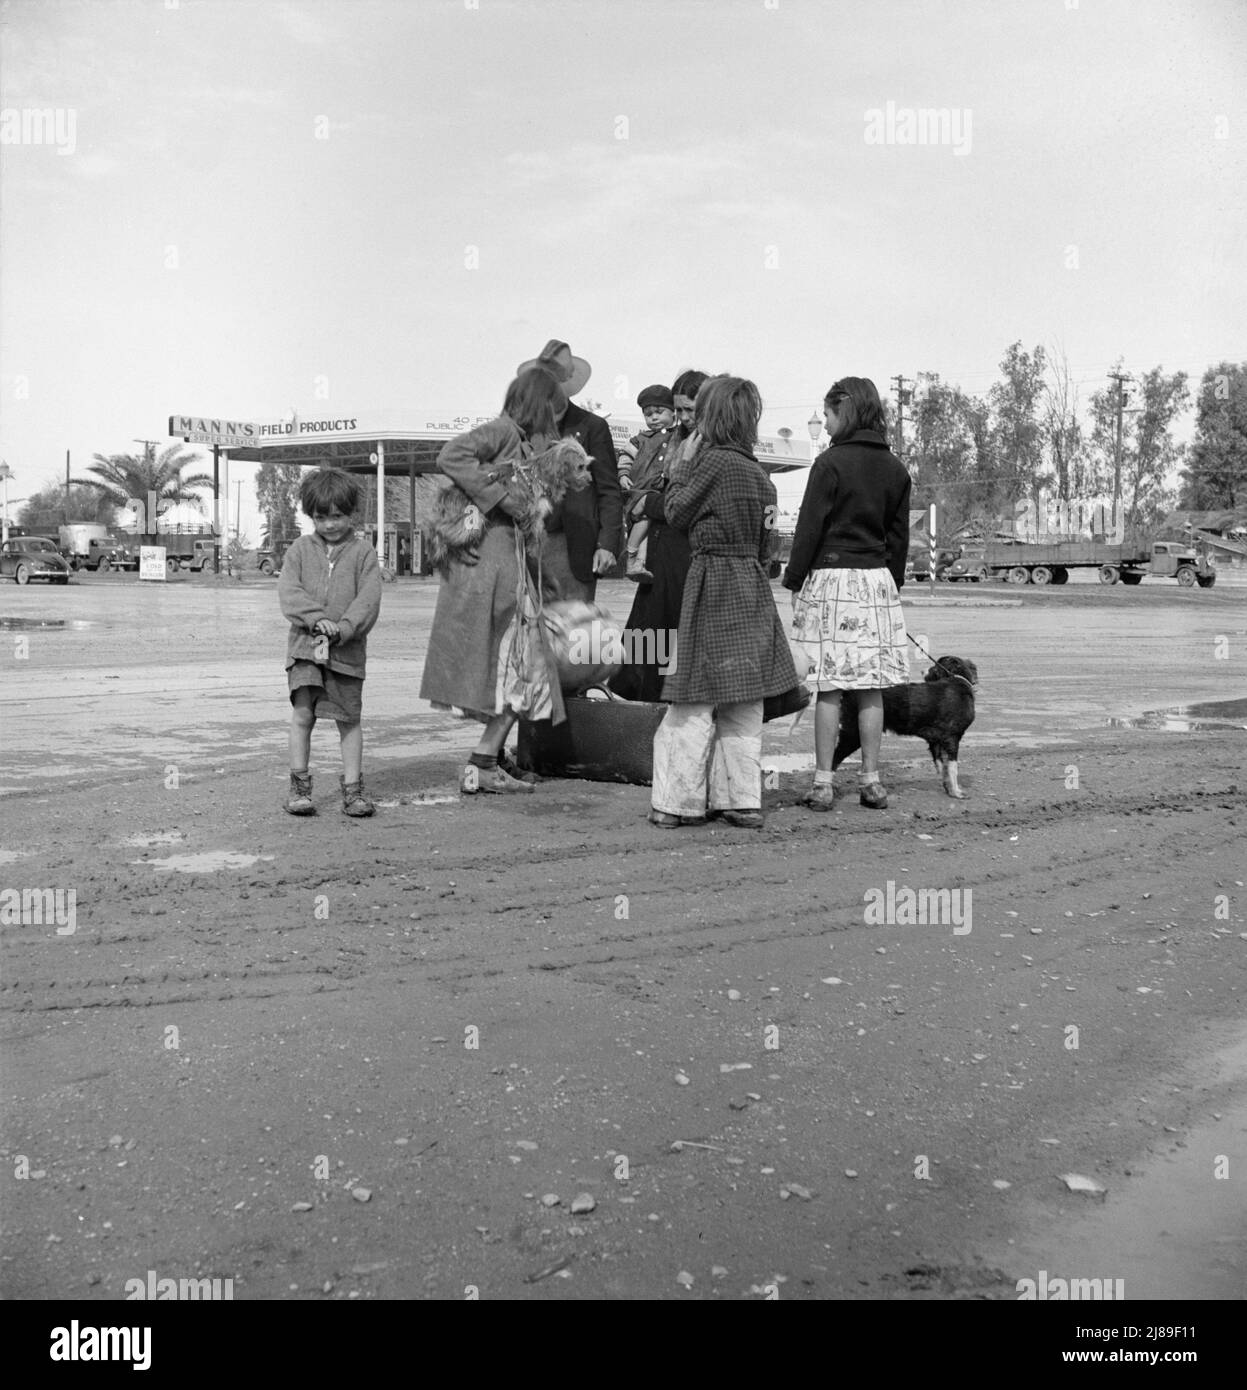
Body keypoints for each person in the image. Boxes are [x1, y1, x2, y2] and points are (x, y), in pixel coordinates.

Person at [649, 376, 798, 830]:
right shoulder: (761, 476)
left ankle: (677, 803)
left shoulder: (707, 464)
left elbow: (674, 512)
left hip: (711, 579)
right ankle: (742, 799)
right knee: (744, 701)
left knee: (693, 699)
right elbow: (768, 545)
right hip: (752, 587)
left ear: (710, 417)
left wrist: (679, 468)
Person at [418, 368, 565, 795]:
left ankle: (484, 761)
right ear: (540, 405)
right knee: (525, 663)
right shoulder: (502, 431)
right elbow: (451, 455)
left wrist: (543, 576)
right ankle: (483, 762)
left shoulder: (517, 442)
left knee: (525, 664)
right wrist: (500, 498)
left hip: (507, 569)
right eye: (552, 409)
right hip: (491, 569)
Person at [783, 376, 911, 811]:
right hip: (876, 581)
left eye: (829, 413)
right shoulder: (896, 469)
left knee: (830, 687)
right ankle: (872, 782)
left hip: (832, 580)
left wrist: (795, 579)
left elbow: (809, 527)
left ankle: (823, 783)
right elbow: (898, 538)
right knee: (871, 688)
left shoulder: (830, 463)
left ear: (845, 411)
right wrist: (891, 582)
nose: (826, 421)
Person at [279, 468, 383, 817]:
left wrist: (345, 627)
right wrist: (314, 618)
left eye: (337, 516)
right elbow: (289, 593)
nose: (329, 524)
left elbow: (368, 599)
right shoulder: (298, 550)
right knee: (303, 714)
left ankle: (353, 792)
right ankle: (299, 788)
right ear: (311, 516)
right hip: (306, 649)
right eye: (321, 517)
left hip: (346, 652)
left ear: (351, 513)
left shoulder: (364, 553)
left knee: (349, 720)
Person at [610, 368, 708, 702]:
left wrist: (648, 503)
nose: (682, 417)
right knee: (647, 637)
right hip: (662, 552)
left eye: (689, 409)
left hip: (687, 552)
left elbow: (687, 500)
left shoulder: (710, 444)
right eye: (678, 410)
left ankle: (659, 709)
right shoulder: (674, 437)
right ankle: (642, 709)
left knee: (668, 640)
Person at [516, 340, 622, 601]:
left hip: (577, 548)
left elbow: (609, 490)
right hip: (531, 547)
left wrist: (607, 544)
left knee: (576, 633)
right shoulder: (523, 429)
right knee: (537, 633)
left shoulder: (592, 426)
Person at [621, 384, 678, 581]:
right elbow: (625, 456)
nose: (653, 418)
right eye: (648, 414)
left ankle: (639, 563)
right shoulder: (640, 439)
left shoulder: (678, 437)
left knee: (651, 524)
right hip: (642, 489)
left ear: (673, 412)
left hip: (662, 491)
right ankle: (630, 556)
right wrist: (623, 475)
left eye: (659, 412)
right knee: (643, 519)